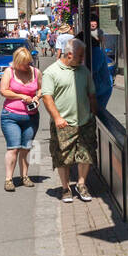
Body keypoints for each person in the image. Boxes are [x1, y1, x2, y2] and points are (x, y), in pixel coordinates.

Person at [40, 37, 98, 203]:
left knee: (86, 155)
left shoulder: (83, 71)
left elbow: (91, 93)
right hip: (63, 123)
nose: (83, 59)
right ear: (69, 55)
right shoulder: (52, 72)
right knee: (63, 157)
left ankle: (81, 184)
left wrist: (94, 111)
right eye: (80, 56)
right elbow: (47, 97)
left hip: (85, 121)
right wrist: (57, 117)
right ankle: (66, 188)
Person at [0, 45, 42, 192]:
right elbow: (3, 91)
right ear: (17, 62)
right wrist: (22, 96)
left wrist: (37, 96)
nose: (27, 66)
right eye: (24, 63)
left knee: (26, 148)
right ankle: (9, 179)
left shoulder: (36, 72)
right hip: (11, 116)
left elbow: (42, 88)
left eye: (29, 62)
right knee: (14, 147)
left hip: (31, 117)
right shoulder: (9, 72)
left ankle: (25, 176)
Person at [89, 29, 114, 111]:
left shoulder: (96, 52)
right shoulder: (96, 51)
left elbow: (91, 70)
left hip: (100, 89)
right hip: (100, 87)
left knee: (98, 112)